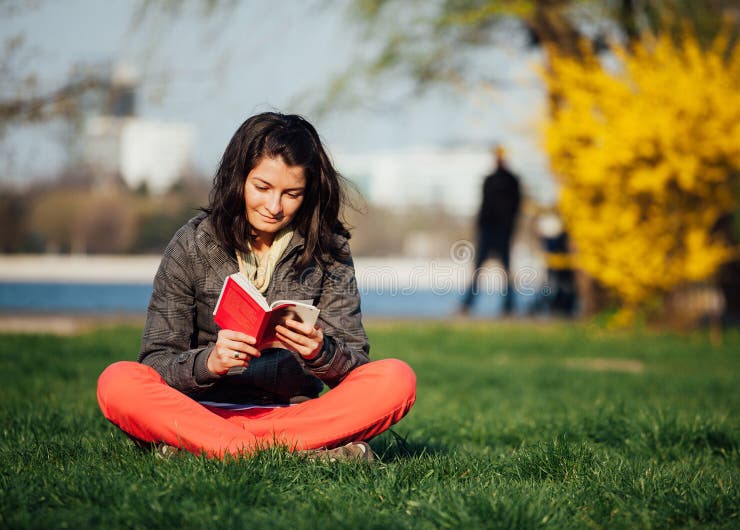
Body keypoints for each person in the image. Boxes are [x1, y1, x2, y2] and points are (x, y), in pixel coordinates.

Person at [96, 112, 416, 461]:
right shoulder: (192, 244)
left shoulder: (329, 250)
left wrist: (321, 352)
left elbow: (358, 372)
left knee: (397, 378)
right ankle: (292, 453)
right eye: (262, 188)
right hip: (200, 414)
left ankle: (215, 450)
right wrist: (210, 362)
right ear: (239, 179)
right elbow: (156, 362)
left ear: (308, 193)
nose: (274, 207)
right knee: (118, 381)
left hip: (293, 417)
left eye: (291, 194)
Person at [461, 145, 521, 315]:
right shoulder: (489, 180)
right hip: (487, 231)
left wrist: (509, 229)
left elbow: (516, 208)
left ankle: (508, 306)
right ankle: (467, 304)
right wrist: (480, 228)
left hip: (503, 232)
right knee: (478, 270)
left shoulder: (512, 181)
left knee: (506, 271)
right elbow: (484, 206)